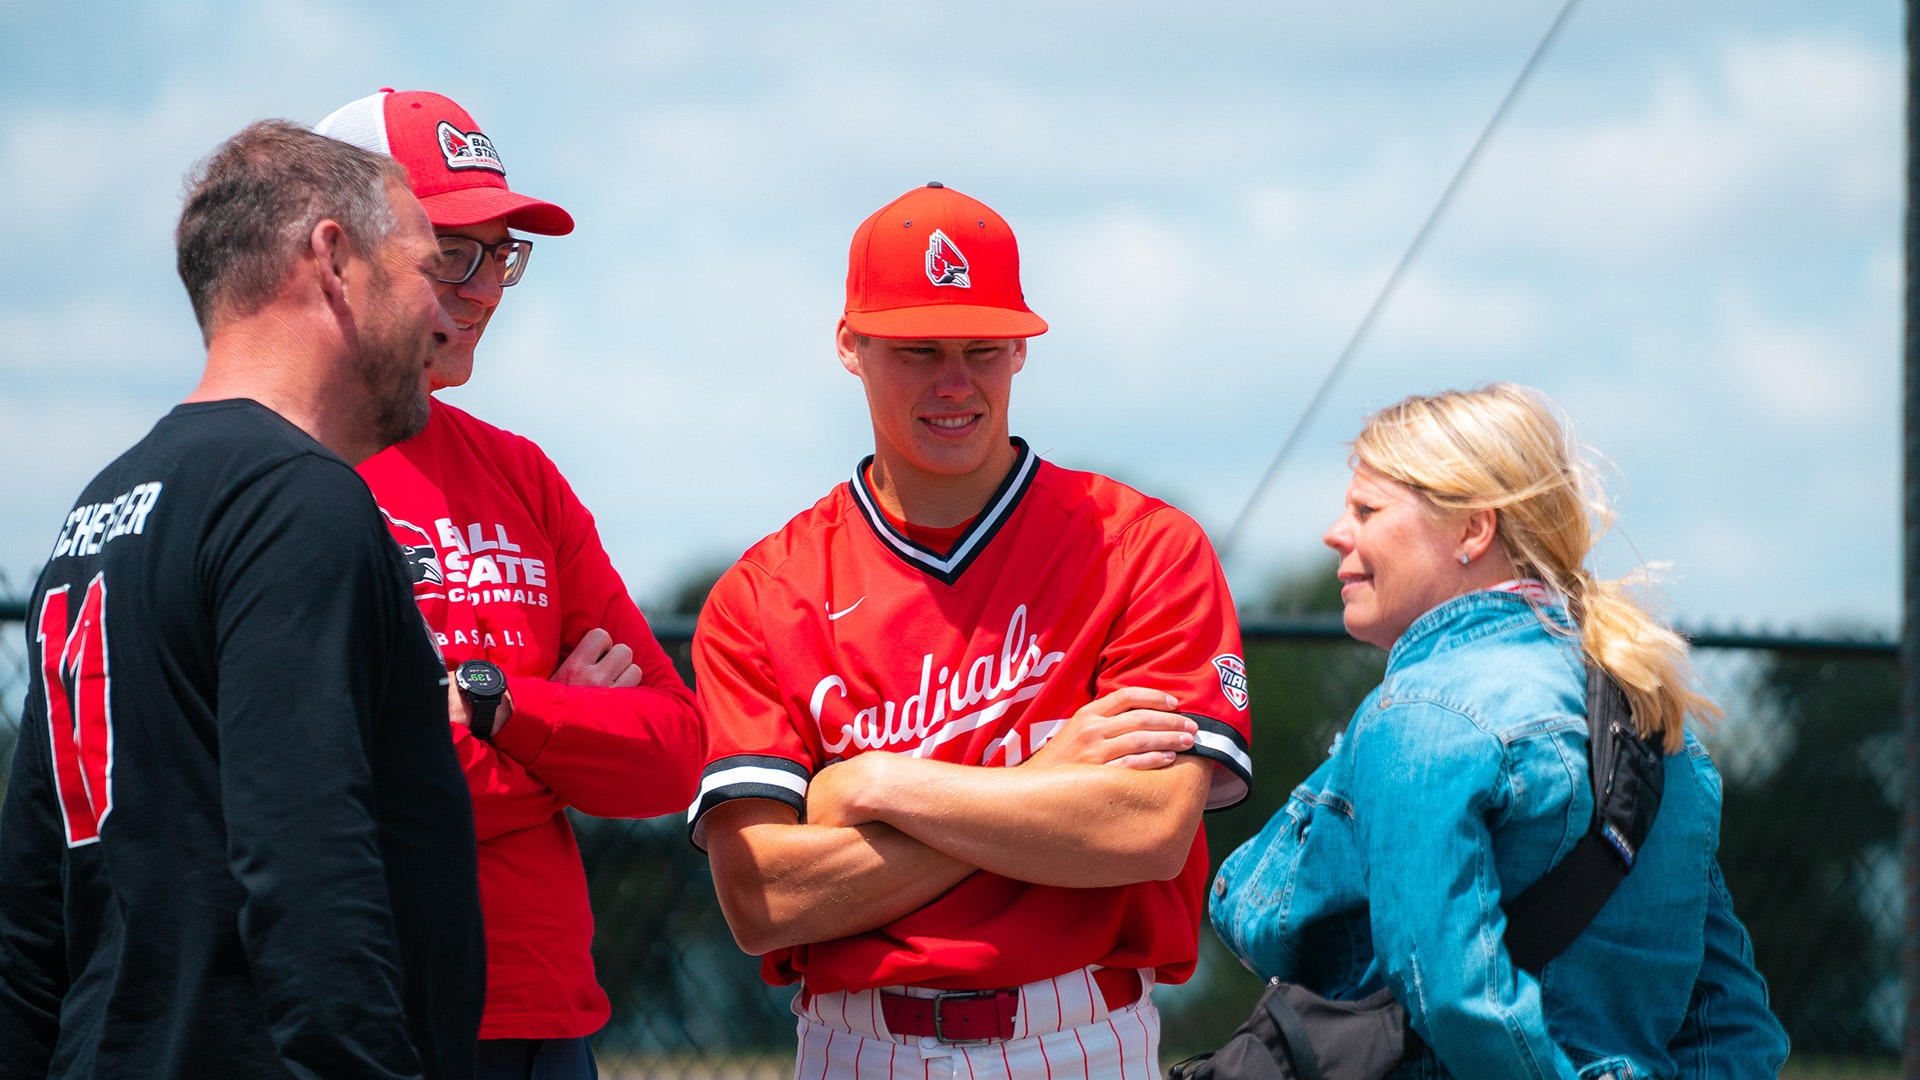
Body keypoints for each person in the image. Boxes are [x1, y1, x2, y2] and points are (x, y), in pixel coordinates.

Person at [691, 182, 1254, 1079]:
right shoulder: (766, 592)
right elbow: (765, 898)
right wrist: (1041, 788)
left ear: (1021, 353)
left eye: (984, 348)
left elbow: (1143, 830)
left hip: (1079, 1033)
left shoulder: (1143, 548)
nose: (955, 383)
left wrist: (875, 786)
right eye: (918, 350)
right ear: (851, 344)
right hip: (856, 1042)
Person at [0, 121, 482, 1079]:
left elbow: (29, 909)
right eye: (429, 267)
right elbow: (309, 866)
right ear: (335, 259)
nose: (445, 315)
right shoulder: (297, 502)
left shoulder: (99, 508)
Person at [1209, 384, 1790, 1080]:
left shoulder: (1422, 714)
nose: (1337, 533)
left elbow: (1451, 993)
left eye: (1366, 509)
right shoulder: (1653, 718)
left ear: (1472, 532)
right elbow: (1730, 1016)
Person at [314, 89, 704, 1078]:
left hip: (547, 1017)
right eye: (452, 249)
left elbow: (673, 751)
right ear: (338, 253)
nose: (485, 286)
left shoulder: (520, 473)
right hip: (365, 1013)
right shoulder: (286, 473)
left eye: (502, 254)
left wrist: (497, 710)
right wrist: (569, 725)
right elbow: (344, 786)